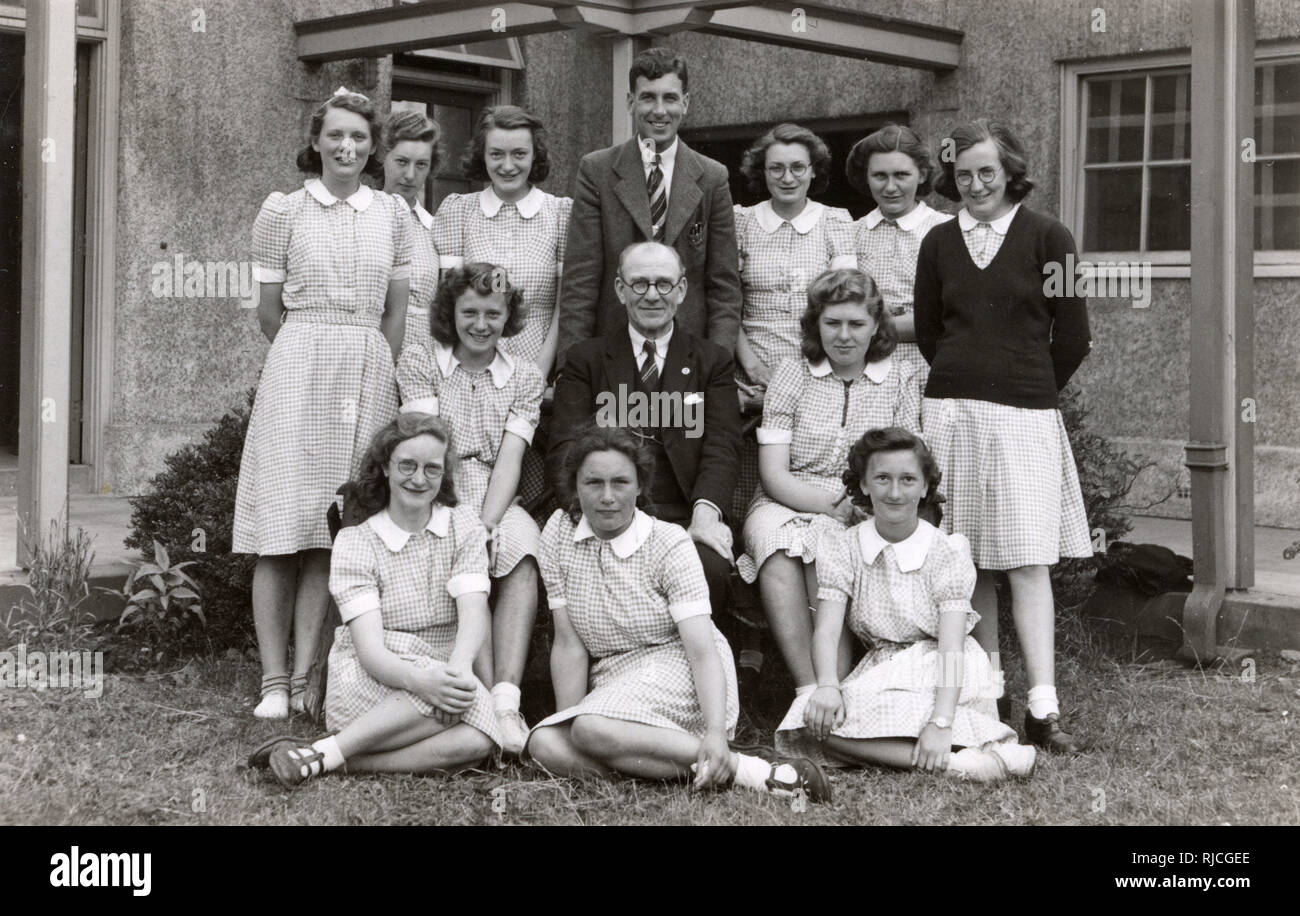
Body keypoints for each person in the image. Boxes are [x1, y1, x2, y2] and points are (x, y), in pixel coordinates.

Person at [525, 424, 831, 802]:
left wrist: (716, 731)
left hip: (678, 666)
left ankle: (742, 764)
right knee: (544, 743)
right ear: (575, 485)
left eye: (620, 482)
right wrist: (566, 725)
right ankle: (719, 770)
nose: (607, 497)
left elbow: (701, 650)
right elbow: (569, 644)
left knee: (590, 729)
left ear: (640, 486)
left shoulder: (669, 542)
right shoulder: (557, 531)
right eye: (593, 483)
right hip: (613, 677)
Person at [914, 118, 1093, 754]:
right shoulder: (937, 243)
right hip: (952, 415)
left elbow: (1074, 337)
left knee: (1025, 558)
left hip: (1023, 418)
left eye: (987, 172)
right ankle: (989, 696)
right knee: (968, 560)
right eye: (962, 175)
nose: (976, 184)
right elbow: (932, 333)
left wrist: (1025, 385)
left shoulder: (1050, 236)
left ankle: (1042, 709)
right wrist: (967, 378)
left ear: (1010, 170)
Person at [234, 88, 409, 719]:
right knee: (281, 528)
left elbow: (395, 313)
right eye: (336, 136)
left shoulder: (391, 213)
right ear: (316, 140)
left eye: (360, 138)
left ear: (372, 147)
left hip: (365, 370)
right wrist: (312, 352)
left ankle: (309, 673)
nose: (347, 147)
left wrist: (369, 367)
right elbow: (267, 313)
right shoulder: (283, 210)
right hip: (298, 366)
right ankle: (273, 680)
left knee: (330, 529)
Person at [248, 414, 499, 787]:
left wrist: (459, 670)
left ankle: (329, 757)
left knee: (479, 739)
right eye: (407, 465)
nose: (418, 479)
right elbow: (370, 650)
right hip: (378, 673)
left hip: (443, 668)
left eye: (432, 469)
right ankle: (336, 750)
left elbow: (474, 612)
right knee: (474, 713)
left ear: (444, 474)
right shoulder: (356, 542)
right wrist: (424, 684)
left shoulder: (462, 525)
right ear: (385, 466)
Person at [776, 428, 1037, 783]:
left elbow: (951, 646)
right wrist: (825, 684)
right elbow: (826, 630)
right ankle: (966, 765)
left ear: (926, 487)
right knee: (811, 721)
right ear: (864, 485)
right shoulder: (843, 547)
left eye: (908, 479)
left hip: (947, 668)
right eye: (882, 478)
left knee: (899, 719)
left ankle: (948, 744)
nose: (895, 492)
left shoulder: (948, 551)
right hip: (884, 666)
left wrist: (942, 722)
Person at [738, 268, 921, 704]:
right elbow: (774, 474)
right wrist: (825, 505)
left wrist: (859, 505)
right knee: (778, 549)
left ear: (876, 326)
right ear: (814, 324)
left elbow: (902, 464)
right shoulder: (791, 374)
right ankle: (810, 692)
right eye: (831, 323)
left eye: (856, 324)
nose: (843, 336)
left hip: (864, 504)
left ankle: (832, 686)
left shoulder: (899, 378)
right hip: (785, 498)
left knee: (825, 549)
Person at [548, 241, 741, 624]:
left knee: (709, 568)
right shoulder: (587, 359)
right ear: (620, 290)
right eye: (639, 284)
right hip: (610, 508)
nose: (652, 295)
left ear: (682, 290)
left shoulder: (711, 361)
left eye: (664, 284)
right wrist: (601, 511)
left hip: (683, 512)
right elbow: (566, 448)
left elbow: (722, 445)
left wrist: (705, 516)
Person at [395, 264, 543, 756]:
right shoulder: (420, 361)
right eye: (470, 312)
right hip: (434, 487)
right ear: (449, 313)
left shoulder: (523, 375)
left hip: (498, 494)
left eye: (493, 314)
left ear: (509, 316)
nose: (481, 325)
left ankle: (506, 698)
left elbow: (511, 456)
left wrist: (489, 522)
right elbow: (426, 452)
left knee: (522, 550)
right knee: (469, 560)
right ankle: (479, 698)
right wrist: (464, 523)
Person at [729, 124, 856, 694]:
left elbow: (846, 299)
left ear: (813, 171)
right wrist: (750, 365)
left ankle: (818, 666)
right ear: (763, 171)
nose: (787, 177)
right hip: (747, 373)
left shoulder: (834, 222)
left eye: (798, 168)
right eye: (776, 167)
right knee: (745, 503)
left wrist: (796, 378)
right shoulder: (739, 220)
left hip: (814, 375)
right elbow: (725, 298)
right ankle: (748, 632)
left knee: (799, 504)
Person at [557, 47, 741, 363]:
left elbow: (724, 287)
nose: (659, 110)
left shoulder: (712, 177)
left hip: (689, 356)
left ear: (686, 102)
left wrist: (717, 368)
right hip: (613, 354)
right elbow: (580, 283)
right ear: (630, 102)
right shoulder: (597, 171)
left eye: (670, 98)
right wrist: (571, 371)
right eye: (647, 98)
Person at [432, 106, 571, 380]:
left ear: (535, 155)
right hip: (469, 367)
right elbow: (449, 304)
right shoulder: (459, 212)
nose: (507, 166)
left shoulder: (560, 214)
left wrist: (536, 375)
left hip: (537, 364)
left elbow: (563, 307)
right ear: (482, 156)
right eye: (496, 154)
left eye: (519, 154)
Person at [848, 124, 953, 400]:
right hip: (866, 371)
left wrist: (873, 326)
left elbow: (953, 315)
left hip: (932, 369)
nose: (890, 187)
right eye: (879, 175)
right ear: (866, 177)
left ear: (922, 174)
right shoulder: (850, 233)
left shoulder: (948, 231)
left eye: (902, 175)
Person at [380, 108, 442, 356]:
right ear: (383, 157)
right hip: (370, 351)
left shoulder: (434, 228)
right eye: (402, 162)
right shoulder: (361, 217)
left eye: (421, 165)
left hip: (423, 357)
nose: (409, 175)